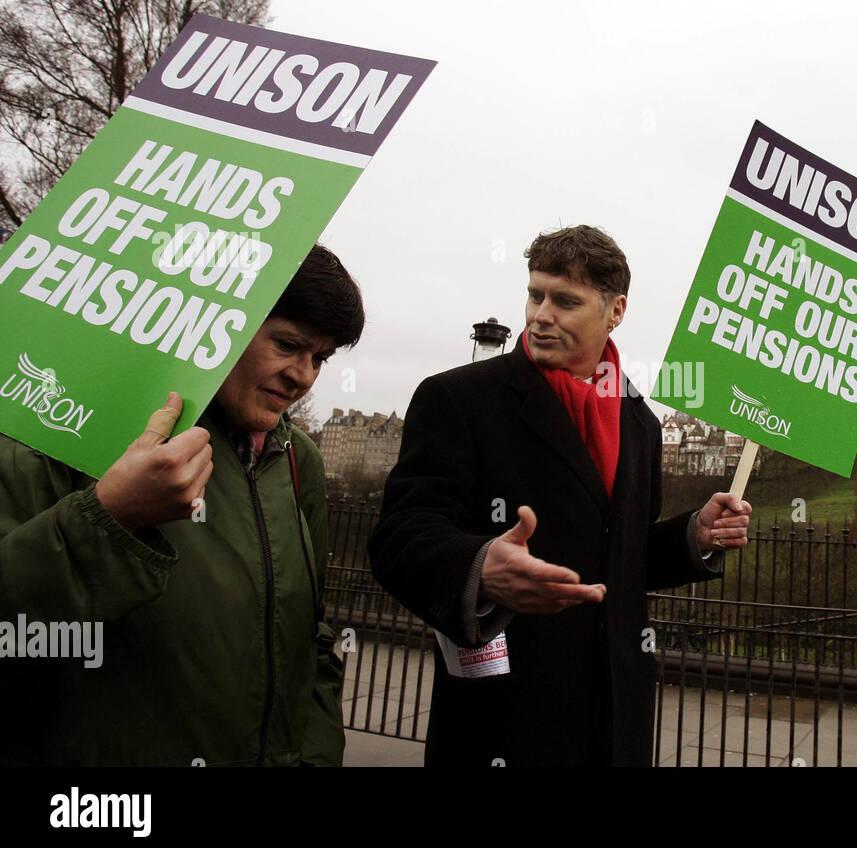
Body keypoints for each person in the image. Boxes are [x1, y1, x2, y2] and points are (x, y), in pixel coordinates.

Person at [370, 225, 751, 766]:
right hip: (505, 718)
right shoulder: (456, 398)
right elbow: (398, 537)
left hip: (616, 718)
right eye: (535, 294)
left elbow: (623, 558)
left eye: (565, 301)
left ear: (615, 310)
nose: (540, 314)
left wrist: (695, 536)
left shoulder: (638, 419)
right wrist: (479, 568)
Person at [0, 244, 363, 766]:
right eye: (287, 345)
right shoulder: (74, 422)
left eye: (320, 358)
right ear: (220, 324)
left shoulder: (299, 457)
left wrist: (313, 754)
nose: (304, 376)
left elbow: (312, 638)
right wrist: (112, 519)